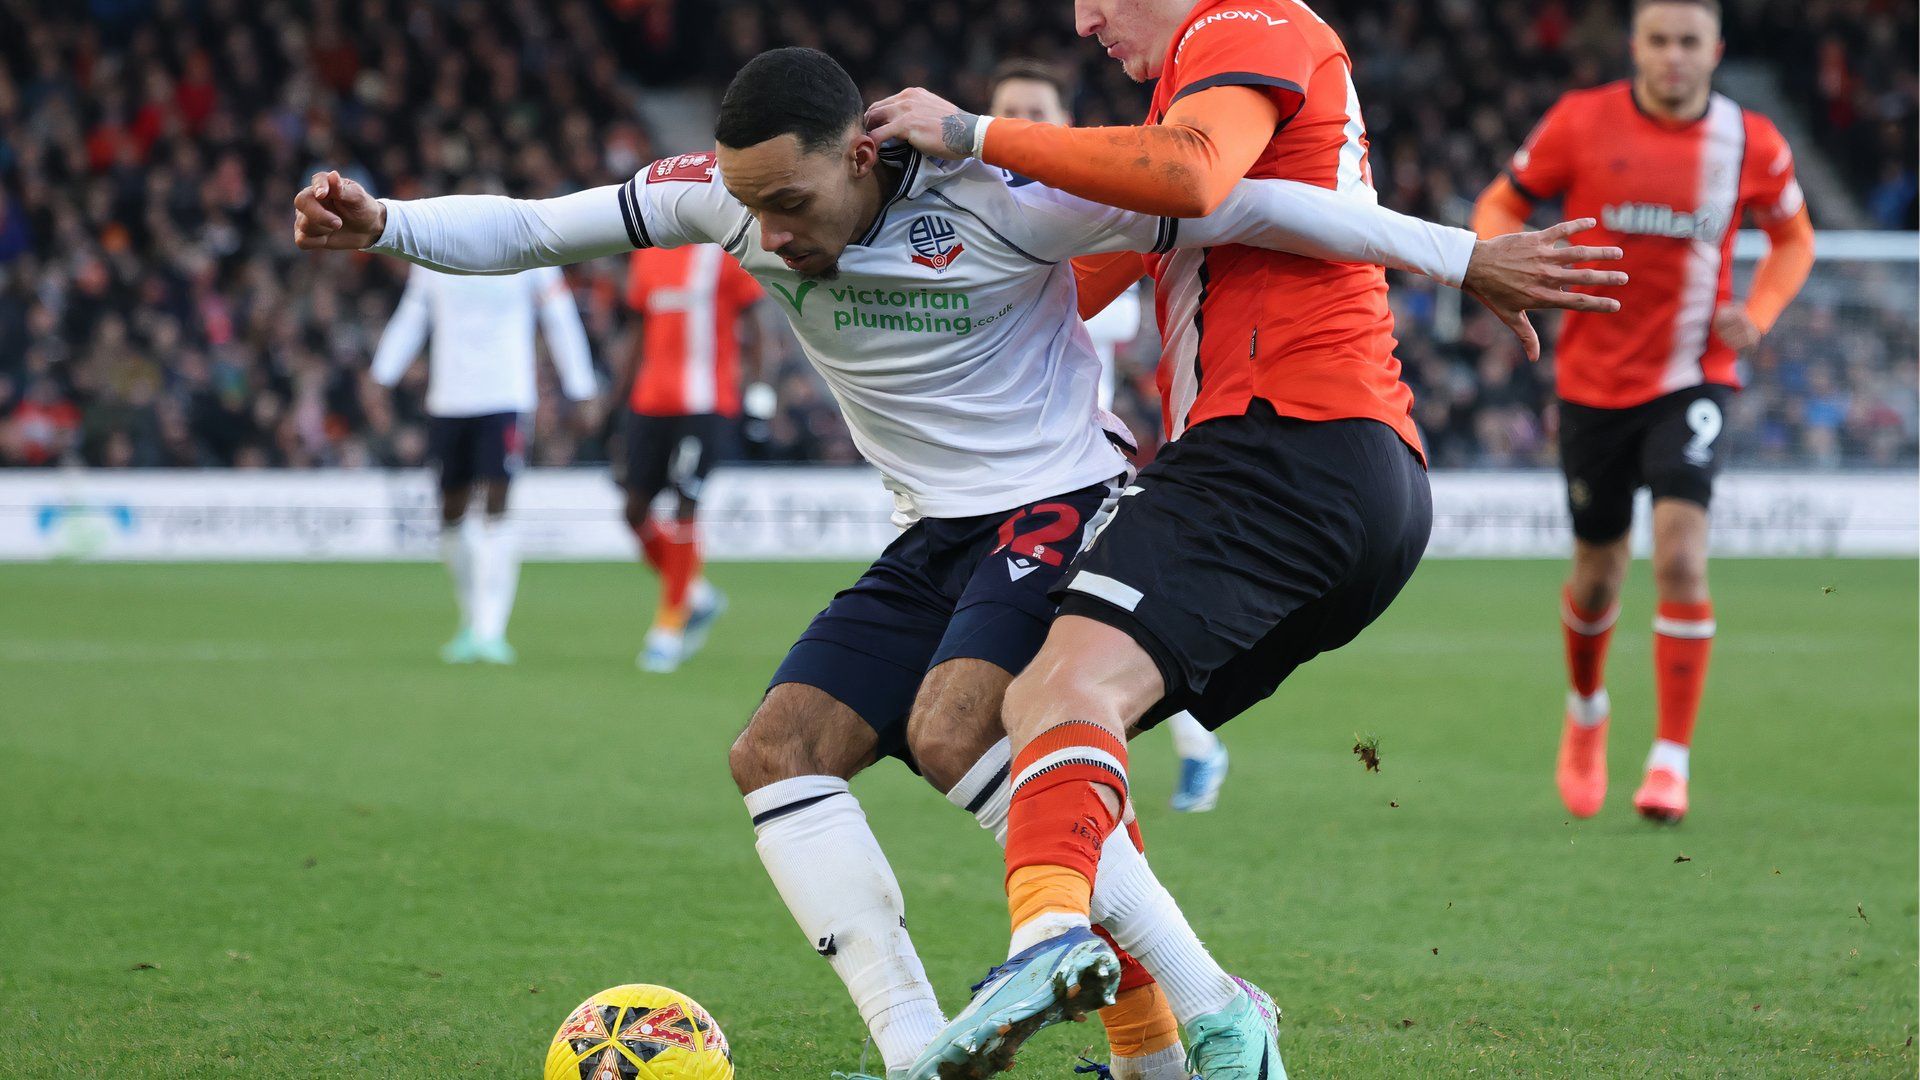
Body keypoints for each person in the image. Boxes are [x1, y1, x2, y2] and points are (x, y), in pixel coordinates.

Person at [298, 46, 1616, 1080]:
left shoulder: (1004, 204)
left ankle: (1209, 1007)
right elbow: (535, 228)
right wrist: (384, 224)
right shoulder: (727, 201)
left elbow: (1255, 204)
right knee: (776, 752)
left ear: (860, 155)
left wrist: (1463, 257)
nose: (769, 234)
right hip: (932, 527)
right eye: (749, 206)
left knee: (953, 729)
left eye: (792, 203)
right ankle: (922, 1049)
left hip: (1064, 500)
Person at [865, 0, 1629, 1073]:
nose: (1083, 21)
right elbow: (1073, 274)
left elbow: (1193, 175)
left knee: (1056, 697)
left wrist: (972, 134)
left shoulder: (1243, 19)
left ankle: (1047, 942)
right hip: (1315, 467)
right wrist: (881, 258)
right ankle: (1190, 1042)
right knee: (1032, 722)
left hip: (1283, 440)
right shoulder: (1190, 90)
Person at [1471, 0, 1815, 825]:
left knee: (1682, 557)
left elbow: (1795, 240)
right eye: (1659, 40)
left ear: (1716, 50)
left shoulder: (1753, 142)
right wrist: (1506, 270)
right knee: (1597, 574)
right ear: (1635, 47)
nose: (1673, 56)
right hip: (1591, 385)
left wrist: (1758, 313)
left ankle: (1670, 762)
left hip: (1695, 375)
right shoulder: (1579, 122)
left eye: (1689, 42)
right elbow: (1500, 205)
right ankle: (1587, 712)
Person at [987, 58, 1231, 815]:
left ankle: (1114, 790)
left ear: (1066, 127)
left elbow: (1103, 307)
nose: (1022, 125)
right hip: (996, 467)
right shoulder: (975, 217)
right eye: (1008, 112)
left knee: (1082, 636)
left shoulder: (1099, 218)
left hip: (1074, 468)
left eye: (1037, 113)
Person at [369, 262, 598, 665]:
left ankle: (491, 629)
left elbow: (559, 315)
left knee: (497, 503)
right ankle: (471, 618)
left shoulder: (528, 246)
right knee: (451, 510)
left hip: (506, 395)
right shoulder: (436, 248)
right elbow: (413, 314)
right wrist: (382, 374)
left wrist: (581, 386)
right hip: (449, 398)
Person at [618, 243, 767, 672]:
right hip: (649, 403)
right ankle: (696, 595)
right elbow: (637, 330)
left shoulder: (721, 253)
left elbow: (758, 328)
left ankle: (668, 628)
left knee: (686, 502)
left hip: (706, 403)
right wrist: (616, 400)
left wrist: (759, 393)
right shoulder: (646, 254)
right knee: (633, 511)